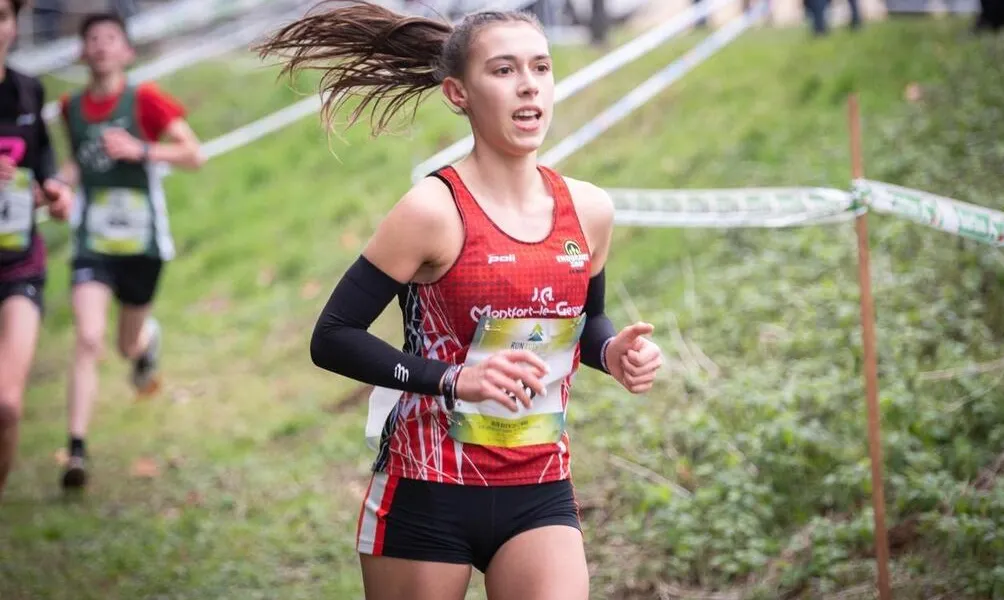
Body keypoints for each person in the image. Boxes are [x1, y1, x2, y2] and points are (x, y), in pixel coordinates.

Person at [256, 2, 664, 598]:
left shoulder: (589, 210)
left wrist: (612, 353)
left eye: (541, 67)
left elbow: (589, 320)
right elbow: (333, 336)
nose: (528, 85)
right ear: (458, 93)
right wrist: (455, 380)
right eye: (503, 70)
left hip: (539, 485)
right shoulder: (432, 210)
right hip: (427, 487)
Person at [54, 11, 204, 491]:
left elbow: (193, 154)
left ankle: (146, 343)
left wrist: (142, 151)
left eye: (110, 38)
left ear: (126, 51)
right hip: (92, 243)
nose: (100, 45)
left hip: (142, 244)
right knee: (88, 338)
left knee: (125, 345)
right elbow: (77, 163)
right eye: (92, 38)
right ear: (82, 52)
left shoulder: (145, 99)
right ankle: (76, 450)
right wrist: (56, 188)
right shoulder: (69, 108)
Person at [0, 0, 74, 500]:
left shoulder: (28, 89)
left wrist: (56, 191)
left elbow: (43, 160)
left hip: (18, 264)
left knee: (6, 406)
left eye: (2, 16)